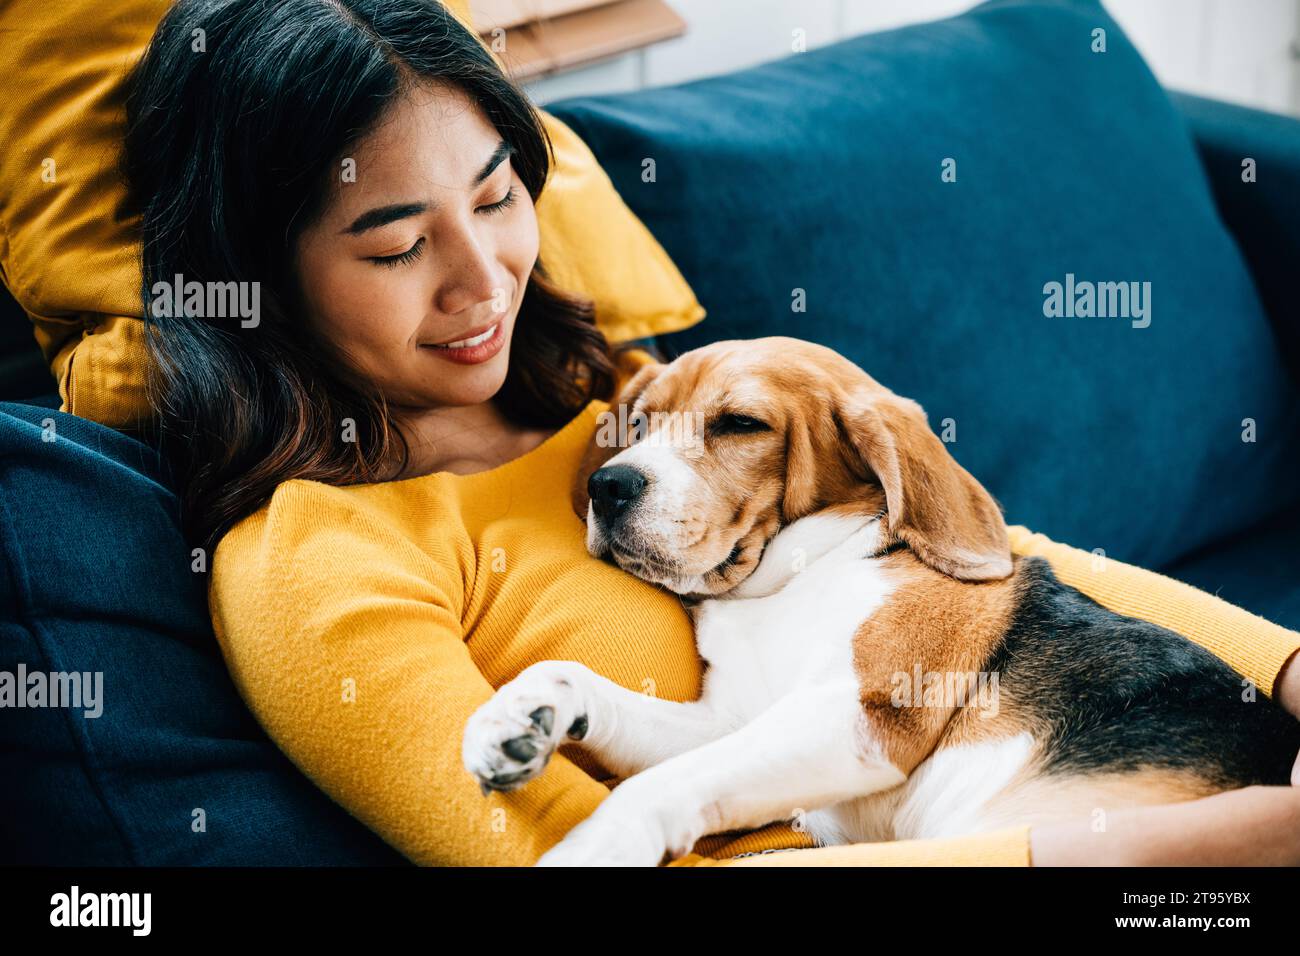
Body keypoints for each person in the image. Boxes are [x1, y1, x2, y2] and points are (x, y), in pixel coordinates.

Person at [122, 0, 1300, 866]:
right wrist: (1170, 854)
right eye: (394, 246)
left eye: (494, 198)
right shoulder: (311, 564)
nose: (485, 282)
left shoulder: (626, 400)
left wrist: (1289, 666)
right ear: (259, 278)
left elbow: (985, 559)